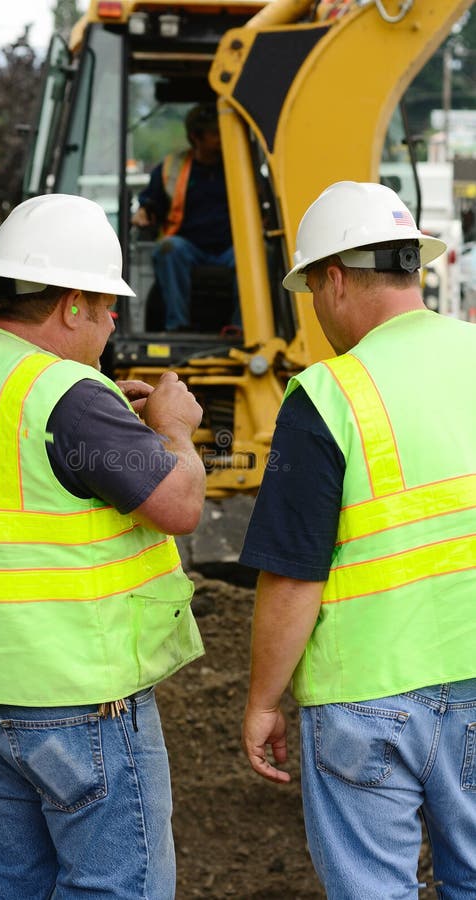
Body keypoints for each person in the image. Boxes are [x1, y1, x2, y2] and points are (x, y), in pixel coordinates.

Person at [0, 193, 206, 900]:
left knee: (10, 882)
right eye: (105, 305)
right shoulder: (67, 395)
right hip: (73, 692)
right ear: (72, 305)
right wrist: (174, 429)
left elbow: (22, 474)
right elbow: (180, 505)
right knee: (116, 885)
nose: (113, 320)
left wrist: (110, 428)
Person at [239, 181, 476, 899]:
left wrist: (261, 702)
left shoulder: (326, 395)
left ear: (334, 278)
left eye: (313, 288)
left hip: (365, 697)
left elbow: (293, 577)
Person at [131, 102, 237, 331]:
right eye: (215, 134)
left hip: (231, 249)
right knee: (169, 249)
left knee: (260, 253)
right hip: (189, 247)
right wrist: (144, 212)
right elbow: (153, 202)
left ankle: (241, 327)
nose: (222, 139)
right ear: (195, 137)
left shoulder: (239, 167)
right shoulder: (172, 168)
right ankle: (177, 326)